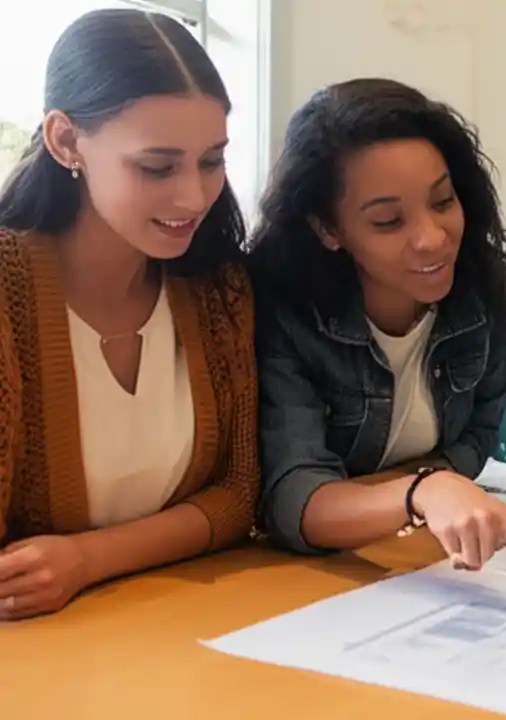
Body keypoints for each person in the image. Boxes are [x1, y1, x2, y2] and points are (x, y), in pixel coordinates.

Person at [0, 9, 259, 620]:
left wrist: (87, 559)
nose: (194, 197)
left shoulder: (217, 287)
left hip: (172, 632)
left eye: (212, 160)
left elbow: (236, 493)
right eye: (157, 166)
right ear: (66, 141)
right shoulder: (8, 293)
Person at [249, 79, 506, 585]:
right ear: (328, 229)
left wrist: (416, 489)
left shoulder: (478, 285)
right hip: (305, 577)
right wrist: (422, 491)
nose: (433, 239)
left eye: (442, 201)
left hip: (411, 559)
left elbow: (477, 433)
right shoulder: (287, 313)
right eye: (389, 221)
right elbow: (293, 498)